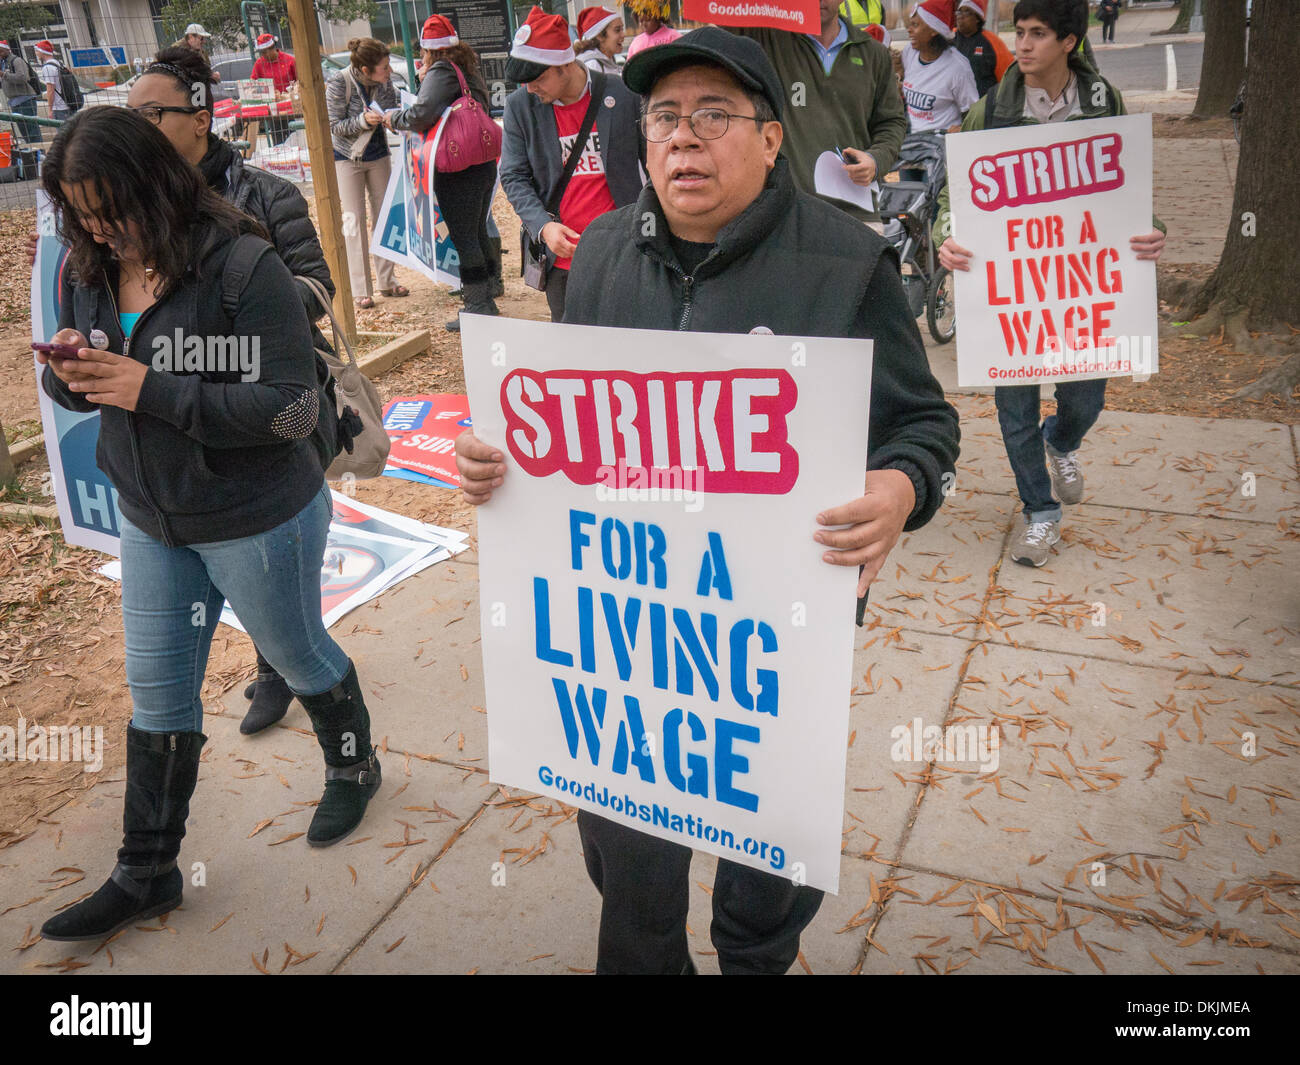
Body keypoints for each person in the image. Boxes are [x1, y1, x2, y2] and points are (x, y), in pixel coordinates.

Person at [455, 27, 960, 974]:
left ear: (772, 140)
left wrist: (900, 488)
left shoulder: (846, 265)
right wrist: (496, 464)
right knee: (629, 869)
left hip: (770, 641)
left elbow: (925, 427)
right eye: (664, 118)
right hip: (626, 641)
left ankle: (754, 953)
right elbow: (565, 433)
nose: (683, 138)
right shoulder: (597, 256)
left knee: (767, 869)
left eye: (714, 116)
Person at [35, 107, 383, 942]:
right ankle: (146, 869)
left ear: (154, 184)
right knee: (156, 693)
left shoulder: (243, 263)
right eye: (78, 212)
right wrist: (72, 376)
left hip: (256, 514)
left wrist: (150, 387)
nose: (96, 228)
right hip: (152, 518)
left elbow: (294, 405)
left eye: (108, 208)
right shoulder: (86, 265)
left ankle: (354, 764)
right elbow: (81, 387)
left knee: (298, 654)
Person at [934, 0, 1166, 567]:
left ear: (1069, 42)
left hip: (1080, 293)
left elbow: (1129, 189)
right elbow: (952, 195)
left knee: (1086, 398)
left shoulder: (1103, 102)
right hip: (1008, 298)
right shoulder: (990, 111)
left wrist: (1152, 230)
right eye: (1021, 32)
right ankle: (1040, 514)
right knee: (1013, 412)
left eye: (1038, 34)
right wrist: (947, 233)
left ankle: (1061, 439)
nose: (1025, 45)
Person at [500, 6, 643, 323]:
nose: (530, 88)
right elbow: (513, 176)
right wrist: (543, 226)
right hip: (563, 260)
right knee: (574, 358)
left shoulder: (623, 94)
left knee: (630, 347)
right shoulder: (521, 107)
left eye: (536, 79)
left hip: (624, 252)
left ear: (564, 63)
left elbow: (654, 165)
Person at [728, 0, 909, 225]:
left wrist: (875, 160)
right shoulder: (768, 39)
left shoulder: (873, 54)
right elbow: (718, 10)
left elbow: (891, 122)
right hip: (783, 214)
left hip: (856, 216)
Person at [387, 15, 500, 331]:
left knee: (465, 237)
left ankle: (477, 306)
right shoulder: (468, 68)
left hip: (456, 166)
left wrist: (394, 119)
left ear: (429, 49)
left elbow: (422, 114)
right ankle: (489, 291)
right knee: (477, 228)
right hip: (481, 162)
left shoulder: (440, 70)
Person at [325, 37, 406, 310]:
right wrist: (363, 120)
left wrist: (393, 120)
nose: (389, 72)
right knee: (353, 221)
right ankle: (360, 289)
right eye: (384, 68)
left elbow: (392, 107)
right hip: (347, 158)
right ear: (364, 69)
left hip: (378, 154)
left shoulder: (384, 83)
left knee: (383, 216)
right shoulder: (340, 82)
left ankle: (387, 280)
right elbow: (334, 125)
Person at [902, 1, 978, 132]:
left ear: (933, 30)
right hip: (909, 138)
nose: (909, 30)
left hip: (938, 144)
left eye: (915, 25)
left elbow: (973, 113)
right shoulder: (909, 52)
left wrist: (962, 129)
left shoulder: (958, 67)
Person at [953, 0, 1013, 97]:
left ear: (977, 18)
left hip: (982, 105)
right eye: (959, 12)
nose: (961, 16)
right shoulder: (949, 38)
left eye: (967, 12)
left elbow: (1009, 77)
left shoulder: (993, 42)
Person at [251, 33, 297, 146]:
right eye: (261, 53)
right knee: (278, 138)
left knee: (294, 136)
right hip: (272, 109)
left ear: (273, 48)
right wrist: (267, 93)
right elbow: (252, 85)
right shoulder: (259, 64)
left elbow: (300, 82)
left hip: (291, 107)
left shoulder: (290, 60)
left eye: (265, 52)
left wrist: (290, 92)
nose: (263, 55)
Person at [0, 41, 43, 147]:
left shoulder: (17, 61)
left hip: (25, 100)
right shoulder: (3, 63)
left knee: (32, 131)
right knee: (24, 132)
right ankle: (33, 154)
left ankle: (39, 152)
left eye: (1, 51)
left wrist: (4, 75)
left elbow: (23, 78)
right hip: (14, 102)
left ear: (7, 50)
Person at [575, 6, 626, 77]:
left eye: (622, 29)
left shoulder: (607, 60)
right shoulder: (592, 65)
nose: (623, 35)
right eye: (617, 30)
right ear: (600, 36)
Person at [36, 40, 71, 123]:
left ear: (42, 52)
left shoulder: (48, 67)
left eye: (37, 50)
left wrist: (50, 109)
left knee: (63, 133)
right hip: (68, 103)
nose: (36, 53)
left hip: (59, 107)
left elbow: (50, 90)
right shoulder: (59, 63)